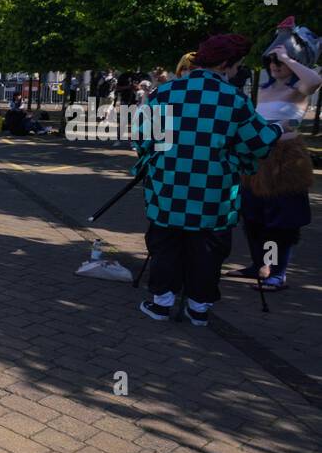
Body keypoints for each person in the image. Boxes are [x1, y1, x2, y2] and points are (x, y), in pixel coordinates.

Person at [134, 33, 283, 326]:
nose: (238, 69)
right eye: (238, 64)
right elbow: (259, 143)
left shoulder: (166, 92)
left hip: (168, 186)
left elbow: (144, 139)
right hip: (214, 190)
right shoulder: (234, 99)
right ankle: (198, 308)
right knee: (208, 249)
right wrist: (276, 129)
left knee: (165, 243)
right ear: (226, 63)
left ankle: (161, 303)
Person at [228, 19, 320, 291]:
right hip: (258, 155)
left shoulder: (299, 88)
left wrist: (286, 58)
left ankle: (277, 273)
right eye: (270, 62)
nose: (274, 66)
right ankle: (260, 264)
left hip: (286, 159)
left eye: (278, 62)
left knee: (281, 221)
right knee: (253, 215)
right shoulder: (266, 87)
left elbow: (315, 79)